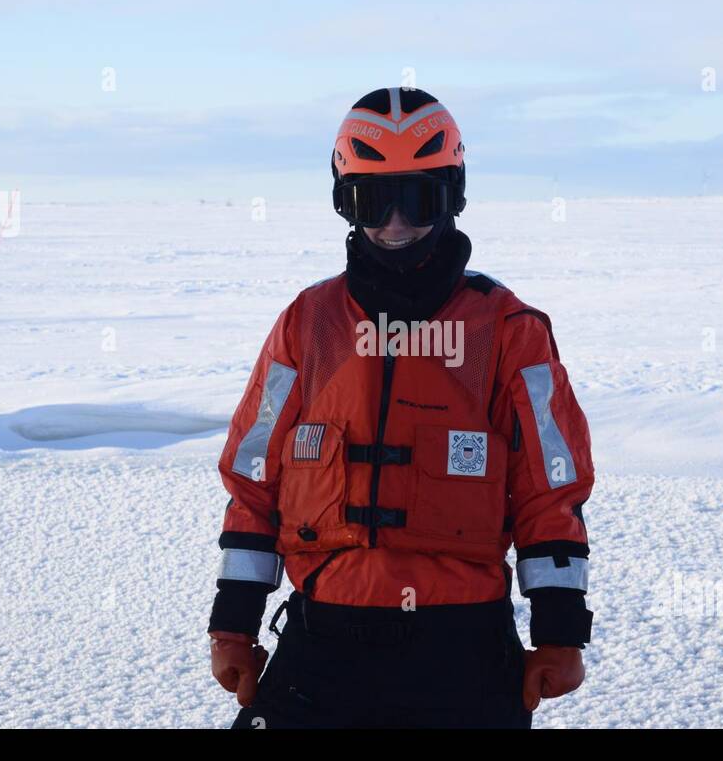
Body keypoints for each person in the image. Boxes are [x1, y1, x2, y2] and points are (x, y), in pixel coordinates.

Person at [207, 87, 594, 728]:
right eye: (372, 199)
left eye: (416, 199)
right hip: (324, 644)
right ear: (343, 203)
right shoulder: (307, 323)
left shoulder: (508, 329)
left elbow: (551, 491)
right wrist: (233, 625)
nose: (394, 223)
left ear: (452, 196)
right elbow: (254, 478)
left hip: (460, 652)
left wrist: (560, 634)